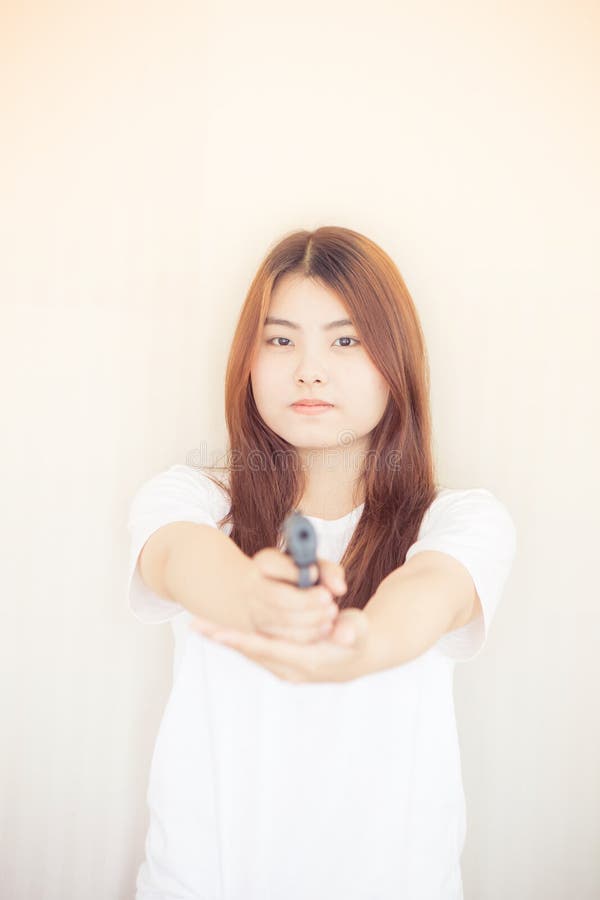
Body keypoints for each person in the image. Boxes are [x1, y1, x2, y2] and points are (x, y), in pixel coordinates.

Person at [126, 225, 517, 899]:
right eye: (280, 340)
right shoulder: (189, 498)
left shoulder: (461, 519)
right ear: (247, 360)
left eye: (346, 340)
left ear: (395, 359)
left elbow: (433, 590)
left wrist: (366, 642)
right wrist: (253, 597)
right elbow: (174, 558)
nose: (309, 369)